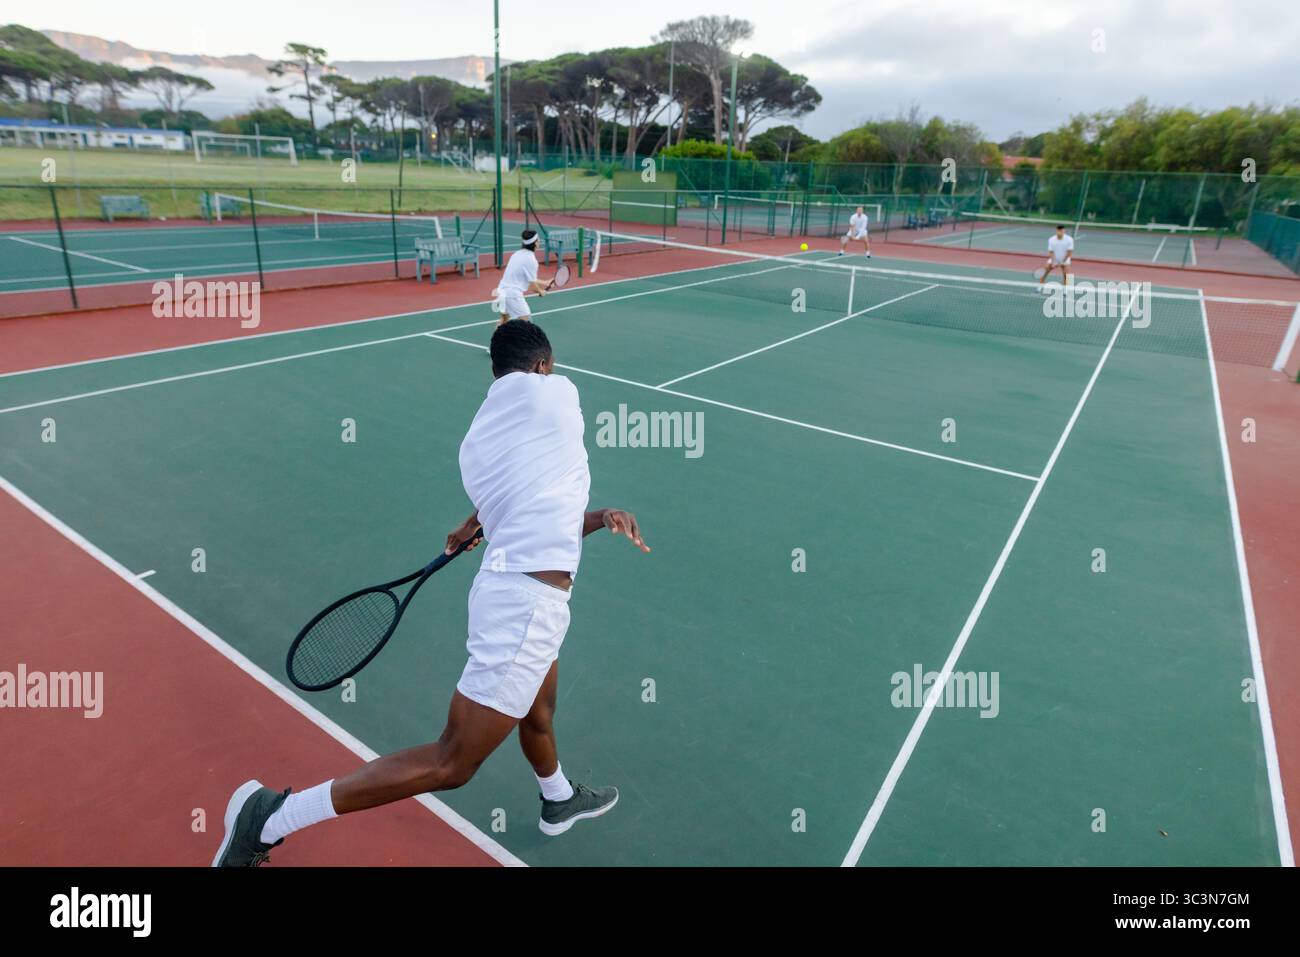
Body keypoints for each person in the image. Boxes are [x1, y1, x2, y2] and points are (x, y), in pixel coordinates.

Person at [212, 320, 650, 867]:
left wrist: (591, 516)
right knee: (452, 763)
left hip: (517, 591)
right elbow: (535, 487)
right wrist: (480, 521)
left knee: (538, 709)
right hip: (526, 609)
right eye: (550, 367)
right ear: (544, 365)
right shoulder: (559, 393)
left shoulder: (476, 443)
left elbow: (535, 506)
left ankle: (558, 799)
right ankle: (271, 817)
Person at [494, 229, 552, 324]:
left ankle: (496, 339)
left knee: (504, 321)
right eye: (538, 239)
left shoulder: (517, 254)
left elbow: (527, 278)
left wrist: (545, 283)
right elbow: (532, 286)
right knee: (526, 323)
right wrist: (541, 291)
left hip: (501, 291)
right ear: (535, 243)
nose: (539, 241)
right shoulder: (531, 260)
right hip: (512, 295)